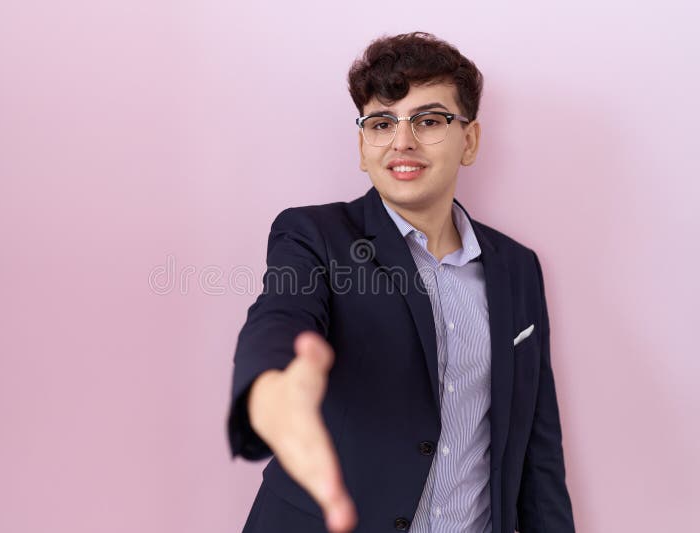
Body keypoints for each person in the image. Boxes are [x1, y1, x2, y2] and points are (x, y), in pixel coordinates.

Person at [227, 31, 575, 533]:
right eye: (381, 122)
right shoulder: (315, 237)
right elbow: (281, 317)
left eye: (429, 120)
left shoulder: (518, 267)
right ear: (363, 146)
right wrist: (270, 384)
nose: (402, 140)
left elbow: (538, 450)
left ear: (470, 139)